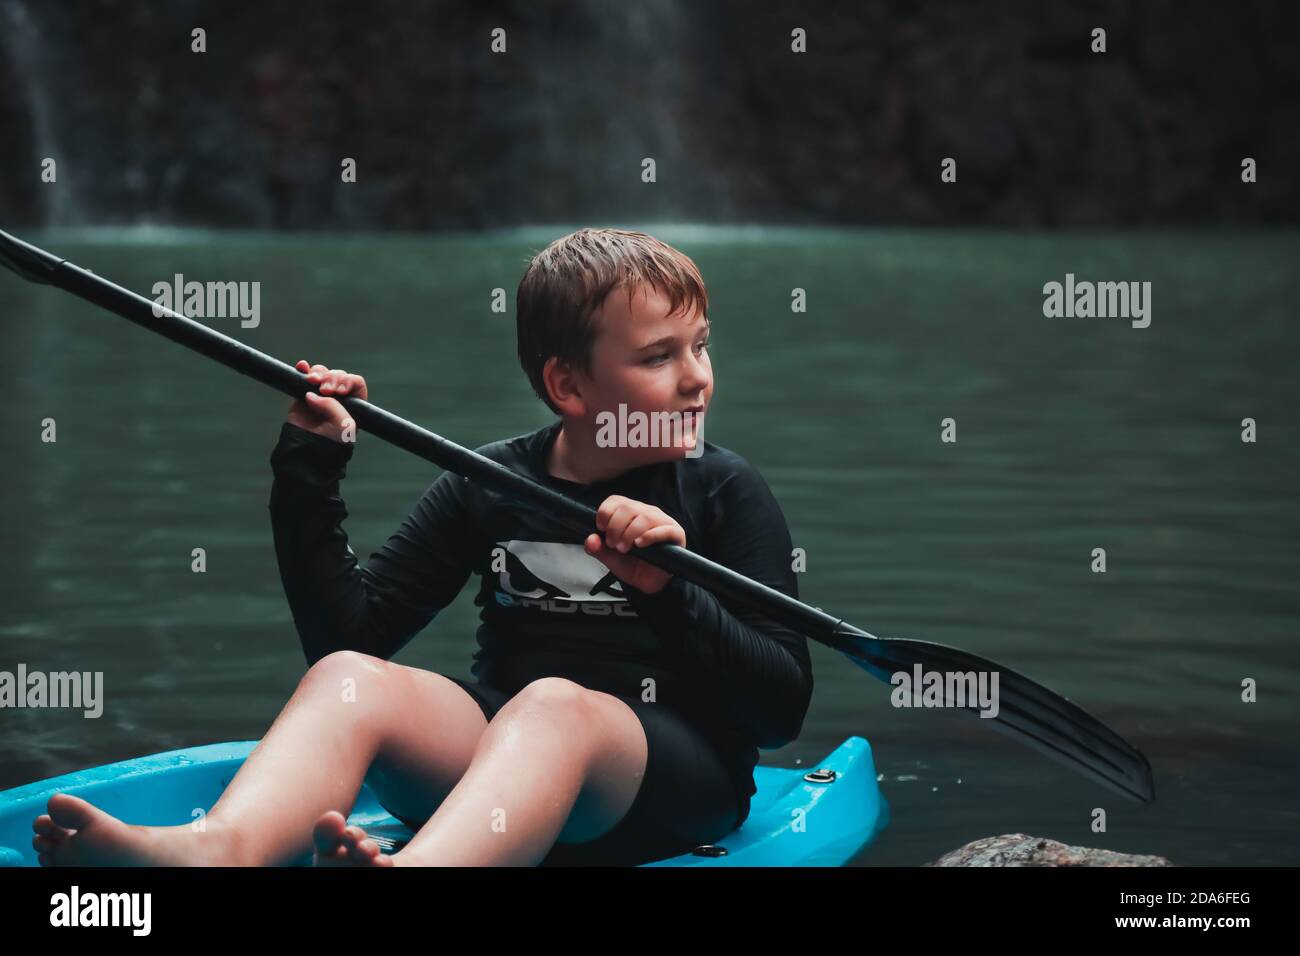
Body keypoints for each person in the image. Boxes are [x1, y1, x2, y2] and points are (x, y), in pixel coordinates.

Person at [31, 227, 813, 866]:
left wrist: (668, 591)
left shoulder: (723, 491)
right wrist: (311, 467)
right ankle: (216, 853)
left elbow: (779, 712)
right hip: (496, 764)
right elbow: (348, 640)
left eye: (700, 346)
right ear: (569, 387)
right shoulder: (489, 481)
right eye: (658, 357)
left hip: (665, 793)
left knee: (555, 705)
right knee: (350, 679)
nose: (697, 380)